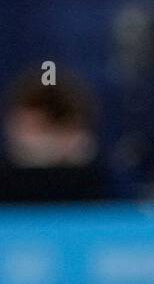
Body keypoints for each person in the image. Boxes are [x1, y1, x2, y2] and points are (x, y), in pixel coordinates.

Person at [0, 67, 109, 203]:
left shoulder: (103, 184)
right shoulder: (7, 180)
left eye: (55, 130)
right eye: (37, 129)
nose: (45, 141)